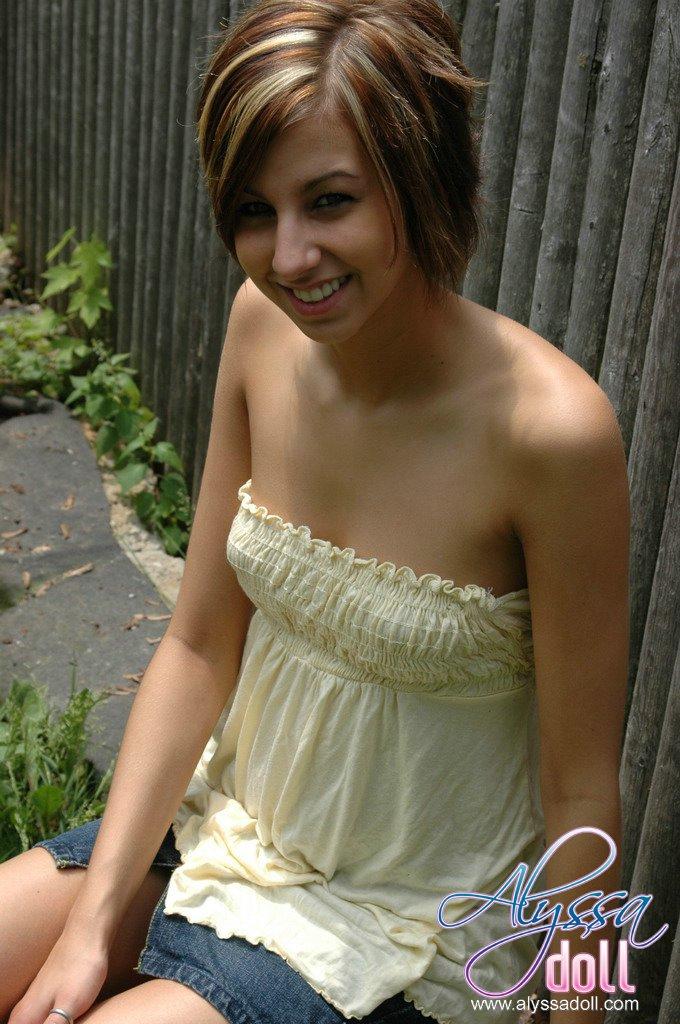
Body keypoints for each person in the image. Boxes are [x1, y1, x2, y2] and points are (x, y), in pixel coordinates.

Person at [1, 2, 629, 1023]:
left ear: (416, 178)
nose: (288, 258)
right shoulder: (261, 332)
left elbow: (579, 798)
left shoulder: (550, 434)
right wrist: (90, 921)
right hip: (226, 828)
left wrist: (576, 1012)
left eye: (328, 201)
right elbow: (199, 647)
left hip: (397, 926)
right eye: (254, 210)